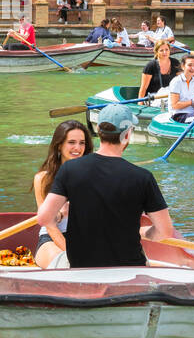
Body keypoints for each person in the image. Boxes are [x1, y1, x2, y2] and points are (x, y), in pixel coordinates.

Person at [34, 104, 176, 268]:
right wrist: (144, 232)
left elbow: (44, 218)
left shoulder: (69, 170)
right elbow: (165, 231)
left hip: (81, 266)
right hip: (130, 267)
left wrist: (60, 215)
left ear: (99, 132)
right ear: (127, 135)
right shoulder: (144, 177)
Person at [32, 120, 93, 268]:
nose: (77, 148)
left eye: (82, 143)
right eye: (71, 142)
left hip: (86, 239)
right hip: (51, 239)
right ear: (59, 145)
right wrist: (73, 254)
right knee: (65, 264)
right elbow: (50, 225)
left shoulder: (93, 176)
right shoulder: (43, 179)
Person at [139, 39, 181, 104]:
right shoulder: (151, 66)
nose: (165, 52)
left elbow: (182, 81)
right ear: (157, 52)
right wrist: (140, 103)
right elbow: (144, 88)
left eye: (167, 50)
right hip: (154, 97)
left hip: (170, 96)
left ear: (169, 50)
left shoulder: (175, 63)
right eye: (161, 50)